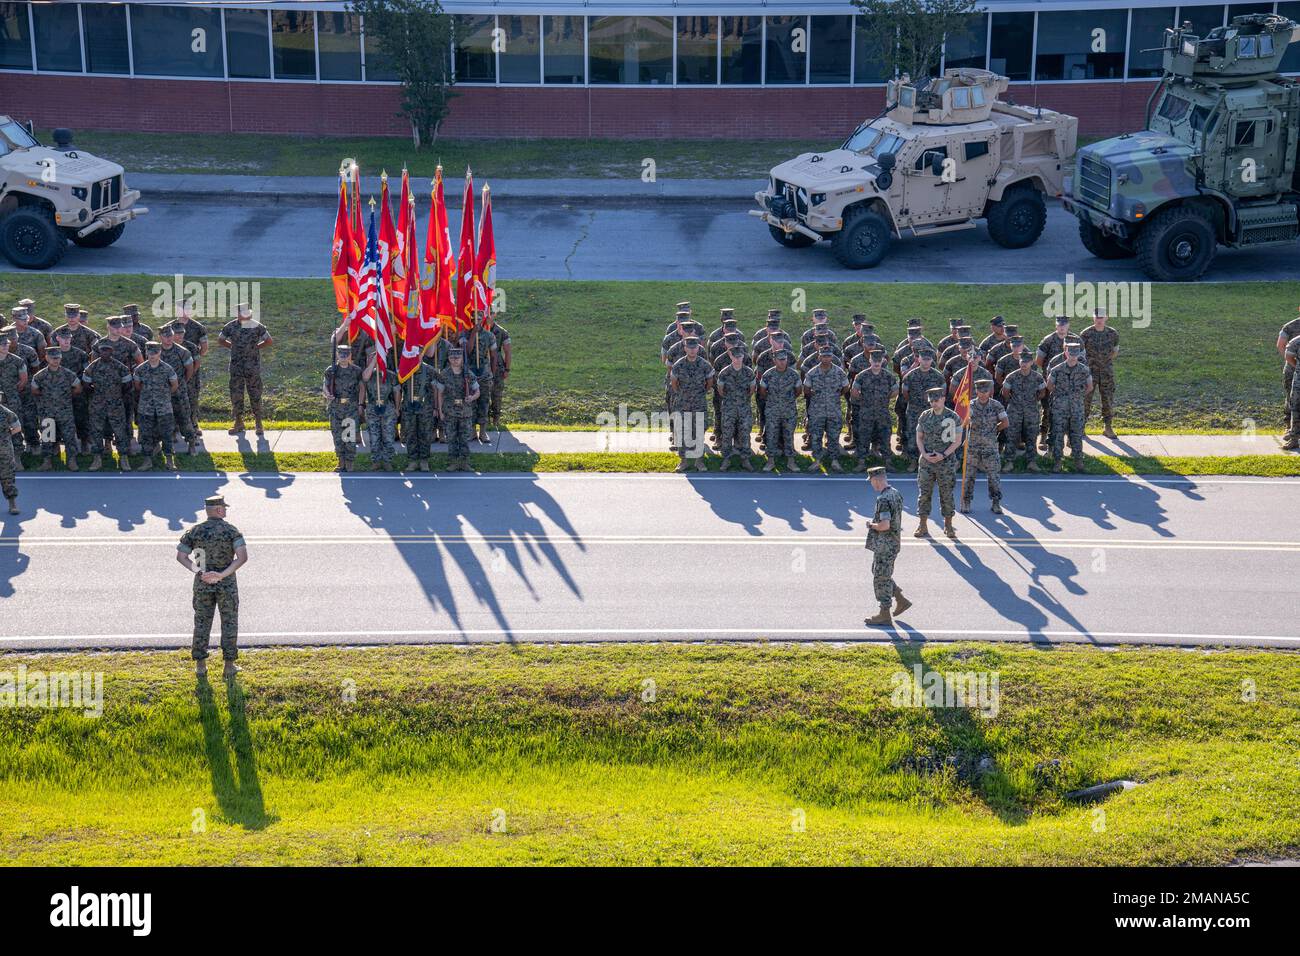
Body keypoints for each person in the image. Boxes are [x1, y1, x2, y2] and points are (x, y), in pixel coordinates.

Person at [177, 495, 248, 680]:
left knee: (201, 623)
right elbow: (242, 557)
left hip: (202, 583)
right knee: (229, 623)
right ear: (218, 510)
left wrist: (200, 572)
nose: (225, 510)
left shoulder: (195, 531)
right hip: (227, 584)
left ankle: (201, 666)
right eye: (223, 507)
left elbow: (181, 557)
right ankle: (229, 666)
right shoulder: (231, 531)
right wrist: (222, 575)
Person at [915, 387, 962, 540]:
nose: (933, 404)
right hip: (927, 461)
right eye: (931, 401)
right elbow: (919, 437)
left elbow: (958, 440)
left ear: (943, 399)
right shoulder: (925, 416)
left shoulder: (953, 417)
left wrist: (943, 455)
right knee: (924, 494)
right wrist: (924, 454)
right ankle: (922, 525)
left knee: (947, 494)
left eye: (936, 400)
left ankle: (948, 526)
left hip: (946, 462)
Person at [864, 465, 910, 626]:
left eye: (871, 481)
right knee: (880, 572)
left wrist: (871, 525)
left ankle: (885, 613)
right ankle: (900, 598)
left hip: (885, 544)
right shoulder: (895, 493)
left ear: (876, 480)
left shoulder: (883, 499)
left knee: (880, 578)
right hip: (894, 542)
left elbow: (884, 525)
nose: (871, 484)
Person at [219, 303, 272, 435]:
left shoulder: (257, 326)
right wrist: (233, 347)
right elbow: (220, 340)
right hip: (236, 367)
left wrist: (255, 347)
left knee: (255, 394)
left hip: (252, 367)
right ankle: (238, 422)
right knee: (236, 394)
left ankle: (258, 423)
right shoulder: (230, 326)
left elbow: (269, 340)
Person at [28, 346, 81, 471]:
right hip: (47, 411)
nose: (55, 360)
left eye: (58, 358)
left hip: (65, 412)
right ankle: (47, 461)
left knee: (69, 437)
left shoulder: (68, 374)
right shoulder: (40, 376)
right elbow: (34, 390)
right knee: (47, 437)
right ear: (47, 358)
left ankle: (71, 461)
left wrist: (66, 397)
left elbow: (78, 388)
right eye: (53, 358)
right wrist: (47, 398)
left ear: (61, 358)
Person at [83, 340, 133, 472]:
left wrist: (116, 395)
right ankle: (97, 458)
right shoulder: (92, 367)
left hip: (116, 404)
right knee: (96, 431)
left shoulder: (120, 367)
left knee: (120, 431)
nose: (105, 352)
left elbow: (127, 385)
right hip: (97, 405)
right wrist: (98, 395)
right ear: (99, 352)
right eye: (102, 350)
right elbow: (86, 385)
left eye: (107, 350)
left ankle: (123, 458)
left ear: (112, 351)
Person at [962, 380, 1009, 514]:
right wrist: (966, 419)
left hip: (990, 447)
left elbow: (1005, 422)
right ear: (976, 391)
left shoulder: (996, 405)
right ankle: (966, 501)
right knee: (969, 476)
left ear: (990, 391)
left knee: (994, 476)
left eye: (985, 391)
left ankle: (996, 503)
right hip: (973, 446)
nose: (983, 394)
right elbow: (962, 422)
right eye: (980, 391)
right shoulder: (970, 405)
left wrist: (994, 431)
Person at [1046, 344, 1093, 472]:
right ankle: (1057, 461)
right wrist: (1060, 395)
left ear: (1078, 355)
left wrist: (1078, 396)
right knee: (1058, 435)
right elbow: (1049, 385)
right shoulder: (1057, 369)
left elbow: (1090, 387)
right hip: (1060, 408)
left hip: (1077, 408)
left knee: (1076, 434)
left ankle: (1078, 461)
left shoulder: (1084, 369)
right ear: (1066, 353)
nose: (1073, 357)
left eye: (1075, 354)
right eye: (1070, 354)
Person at [670, 337, 713, 472]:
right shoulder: (679, 364)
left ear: (698, 348)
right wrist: (683, 394)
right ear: (685, 348)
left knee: (699, 431)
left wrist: (701, 392)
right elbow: (674, 383)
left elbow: (709, 381)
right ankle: (684, 461)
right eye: (689, 347)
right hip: (683, 403)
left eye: (695, 347)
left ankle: (699, 461)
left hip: (699, 403)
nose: (692, 350)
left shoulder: (705, 364)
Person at [134, 342, 180, 471]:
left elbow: (174, 385)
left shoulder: (167, 369)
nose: (152, 356)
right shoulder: (140, 369)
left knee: (166, 434)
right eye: (150, 353)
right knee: (146, 434)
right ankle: (147, 460)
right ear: (146, 352)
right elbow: (137, 385)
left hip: (164, 408)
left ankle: (170, 460)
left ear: (159, 352)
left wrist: (163, 395)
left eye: (155, 353)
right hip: (146, 408)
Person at [803, 346, 849, 472]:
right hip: (817, 411)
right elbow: (806, 390)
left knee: (834, 436)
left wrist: (835, 395)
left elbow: (846, 387)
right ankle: (817, 460)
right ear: (819, 357)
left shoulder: (839, 372)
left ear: (832, 357)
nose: (826, 358)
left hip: (834, 410)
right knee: (816, 436)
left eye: (828, 356)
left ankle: (834, 460)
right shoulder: (812, 373)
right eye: (824, 356)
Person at [850, 348, 897, 470]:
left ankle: (887, 461)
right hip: (866, 412)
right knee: (863, 437)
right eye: (874, 360)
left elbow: (896, 390)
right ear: (870, 360)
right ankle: (861, 462)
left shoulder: (888, 376)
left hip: (882, 412)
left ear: (882, 361)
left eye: (879, 360)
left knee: (885, 437)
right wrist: (864, 400)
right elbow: (854, 391)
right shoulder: (862, 375)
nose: (876, 363)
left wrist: (886, 399)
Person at [900, 347, 944, 471]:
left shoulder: (937, 376)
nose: (926, 362)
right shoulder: (911, 375)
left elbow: (943, 392)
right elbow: (905, 392)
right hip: (914, 410)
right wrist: (914, 402)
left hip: (932, 411)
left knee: (932, 435)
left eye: (928, 359)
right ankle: (914, 460)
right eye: (923, 359)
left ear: (932, 360)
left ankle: (929, 460)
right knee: (913, 435)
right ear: (918, 359)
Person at [1001, 351, 1046, 472]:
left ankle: (1031, 461)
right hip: (1014, 411)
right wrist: (1014, 402)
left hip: (1031, 411)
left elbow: (1042, 392)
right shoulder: (1012, 376)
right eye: (1022, 361)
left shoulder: (1037, 377)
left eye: (1027, 362)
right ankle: (1009, 461)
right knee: (1011, 436)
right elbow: (1005, 393)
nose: (1024, 364)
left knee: (1031, 436)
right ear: (1019, 362)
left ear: (1031, 362)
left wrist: (1032, 401)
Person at [324, 343, 365, 472]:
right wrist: (327, 394)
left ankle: (349, 462)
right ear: (337, 354)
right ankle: (340, 461)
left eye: (346, 355)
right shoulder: (331, 370)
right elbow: (324, 386)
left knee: (349, 436)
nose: (343, 357)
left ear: (350, 355)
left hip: (350, 408)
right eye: (341, 354)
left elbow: (362, 388)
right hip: (336, 407)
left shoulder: (356, 371)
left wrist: (360, 404)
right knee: (337, 435)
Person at [1080, 308, 1120, 439]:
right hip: (1089, 373)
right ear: (1093, 318)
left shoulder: (1112, 333)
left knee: (1108, 400)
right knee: (1085, 400)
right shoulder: (1085, 334)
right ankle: (1081, 428)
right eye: (1097, 317)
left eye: (1101, 317)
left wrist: (1103, 362)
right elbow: (1080, 354)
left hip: (1106, 373)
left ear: (1106, 318)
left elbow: (1115, 351)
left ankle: (1108, 428)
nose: (1099, 320)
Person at [437, 347, 479, 471]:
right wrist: (440, 411)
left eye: (458, 358)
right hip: (449, 411)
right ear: (449, 359)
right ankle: (454, 462)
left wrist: (472, 397)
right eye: (452, 358)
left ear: (462, 359)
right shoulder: (444, 374)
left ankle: (464, 462)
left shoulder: (468, 374)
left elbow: (477, 391)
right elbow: (440, 394)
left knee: (464, 438)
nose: (455, 360)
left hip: (465, 412)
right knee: (451, 438)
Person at [759, 348, 801, 472]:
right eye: (780, 360)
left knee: (789, 436)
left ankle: (791, 461)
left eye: (785, 359)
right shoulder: (768, 374)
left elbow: (798, 391)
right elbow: (762, 392)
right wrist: (773, 402)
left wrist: (788, 400)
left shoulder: (793, 374)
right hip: (773, 411)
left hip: (789, 411)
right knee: (771, 436)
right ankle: (770, 461)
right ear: (774, 360)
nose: (783, 362)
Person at [715, 346, 756, 471]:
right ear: (731, 356)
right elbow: (720, 391)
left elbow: (751, 390)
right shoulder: (724, 373)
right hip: (728, 408)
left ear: (743, 356)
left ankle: (745, 459)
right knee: (727, 434)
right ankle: (726, 459)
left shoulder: (749, 372)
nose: (737, 359)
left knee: (744, 433)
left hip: (744, 408)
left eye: (740, 356)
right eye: (735, 356)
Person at [401, 349, 438, 472]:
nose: (416, 356)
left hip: (425, 408)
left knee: (425, 434)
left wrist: (436, 408)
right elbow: (398, 389)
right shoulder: (404, 370)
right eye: (414, 354)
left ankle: (424, 460)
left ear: (423, 354)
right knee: (410, 434)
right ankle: (413, 460)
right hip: (408, 408)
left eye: (419, 353)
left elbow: (435, 390)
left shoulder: (430, 371)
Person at [362, 350, 399, 471]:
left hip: (388, 408)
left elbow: (396, 392)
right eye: (373, 358)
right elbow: (365, 378)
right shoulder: (369, 374)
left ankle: (387, 461)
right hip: (373, 408)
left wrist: (397, 408)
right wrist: (373, 361)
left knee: (388, 436)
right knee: (374, 436)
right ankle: (376, 461)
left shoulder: (391, 375)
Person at [0, 336, 28, 470]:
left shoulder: (17, 361)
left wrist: (11, 392)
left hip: (12, 400)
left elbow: (23, 380)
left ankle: (17, 458)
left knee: (15, 427)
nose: (5, 346)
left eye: (6, 344)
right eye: (2, 344)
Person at [1278, 308, 1300, 433]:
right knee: (1292, 398)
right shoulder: (1290, 326)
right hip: (1293, 369)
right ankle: (1290, 428)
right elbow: (1281, 346)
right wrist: (1293, 363)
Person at [0, 390, 20, 513]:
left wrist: (6, 436)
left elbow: (17, 428)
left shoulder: (7, 413)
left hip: (4, 450)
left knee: (7, 477)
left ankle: (12, 504)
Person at [1282, 332, 1300, 450]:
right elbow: (1288, 355)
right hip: (1299, 381)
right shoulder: (1297, 341)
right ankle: (1294, 439)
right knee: (1295, 408)